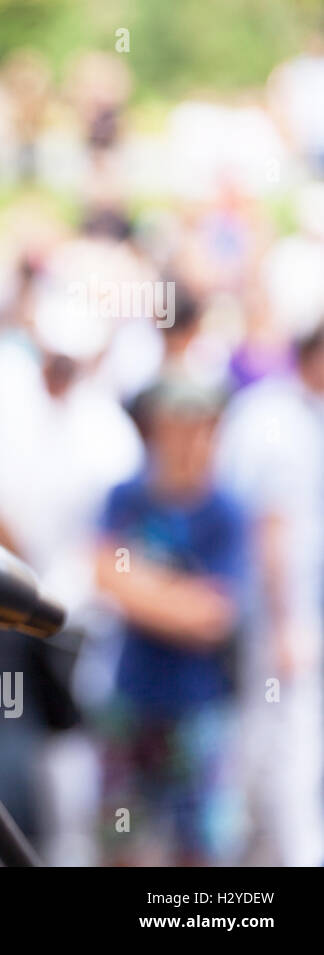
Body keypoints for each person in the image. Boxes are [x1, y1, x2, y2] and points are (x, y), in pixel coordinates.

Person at [94, 377, 247, 865]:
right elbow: (104, 575)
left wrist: (142, 587)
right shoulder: (126, 497)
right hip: (132, 695)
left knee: (198, 841)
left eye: (201, 428)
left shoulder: (225, 510)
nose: (190, 440)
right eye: (177, 427)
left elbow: (215, 613)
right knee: (120, 833)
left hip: (197, 704)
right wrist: (173, 599)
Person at [216, 323, 324, 866]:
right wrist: (288, 624)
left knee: (270, 736)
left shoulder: (292, 410)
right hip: (276, 615)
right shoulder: (277, 420)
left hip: (284, 615)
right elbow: (273, 527)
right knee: (286, 738)